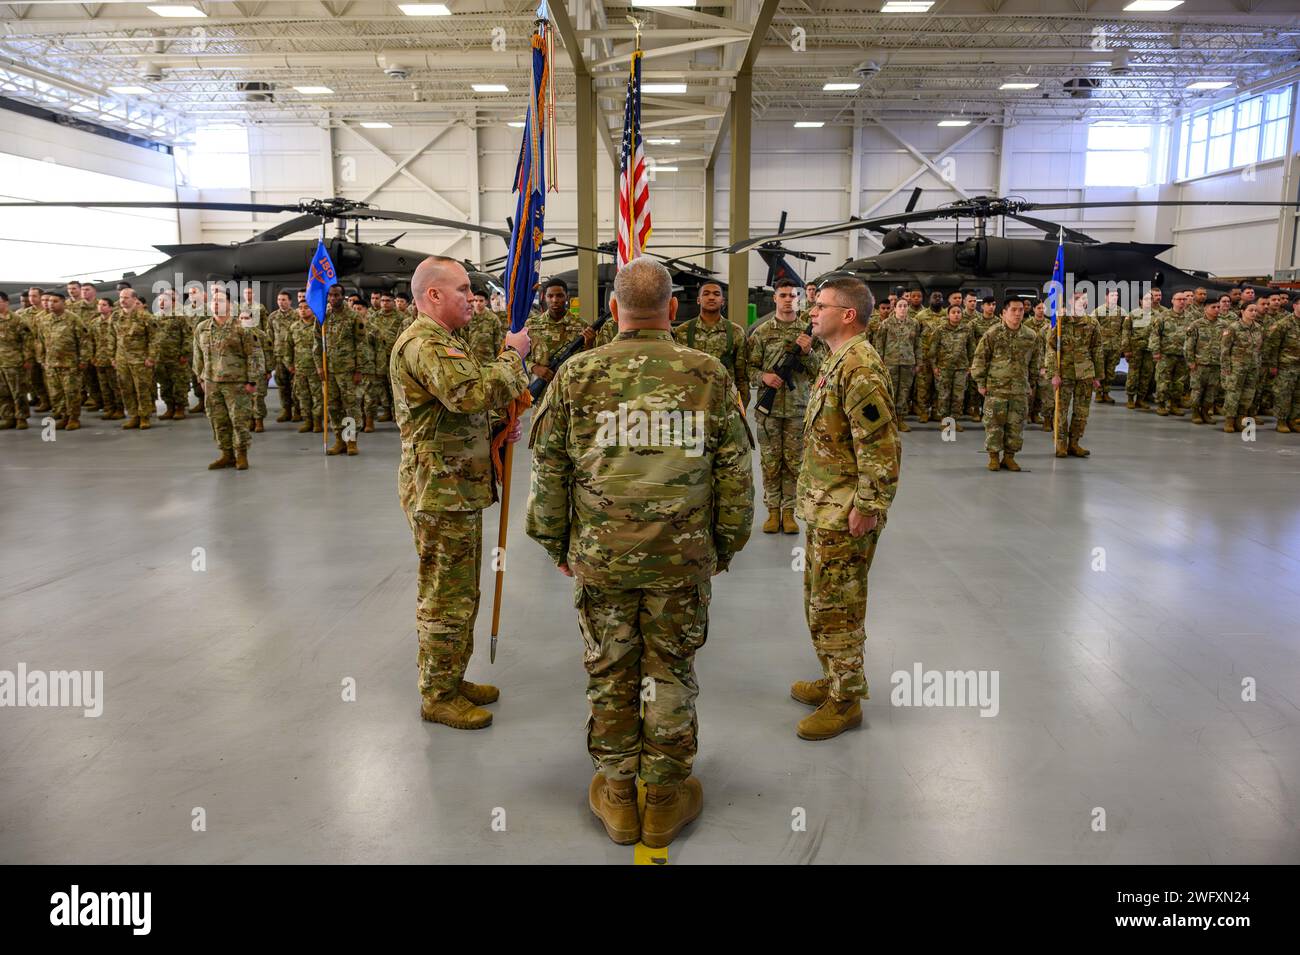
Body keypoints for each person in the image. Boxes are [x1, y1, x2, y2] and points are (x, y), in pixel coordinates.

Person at [526, 257, 753, 848]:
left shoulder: (576, 374)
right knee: (670, 670)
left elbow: (549, 468)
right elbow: (734, 473)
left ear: (611, 309)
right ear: (674, 309)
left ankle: (621, 793)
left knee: (610, 666)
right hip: (681, 560)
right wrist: (723, 546)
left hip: (602, 557)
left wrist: (557, 543)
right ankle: (667, 796)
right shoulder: (706, 374)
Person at [391, 255, 531, 732]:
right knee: (444, 596)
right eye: (462, 289)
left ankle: (450, 678)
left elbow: (455, 412)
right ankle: (437, 695)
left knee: (461, 591)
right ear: (433, 295)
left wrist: (495, 427)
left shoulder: (444, 341)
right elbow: (467, 393)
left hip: (455, 488)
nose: (471, 298)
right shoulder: (425, 343)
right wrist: (514, 356)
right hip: (439, 492)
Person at [793, 276, 901, 742]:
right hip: (825, 505)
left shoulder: (860, 369)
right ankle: (833, 675)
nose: (812, 312)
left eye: (821, 305)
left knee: (839, 606)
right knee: (820, 600)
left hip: (846, 512)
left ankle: (846, 699)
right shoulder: (836, 361)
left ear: (848, 314)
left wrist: (869, 506)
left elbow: (881, 446)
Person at [747, 277, 823, 534]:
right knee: (770, 463)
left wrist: (808, 352)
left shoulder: (808, 333)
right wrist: (763, 378)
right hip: (768, 411)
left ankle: (789, 512)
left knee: (794, 463)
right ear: (775, 298)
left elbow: (821, 371)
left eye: (793, 295)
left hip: (797, 409)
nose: (788, 300)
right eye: (784, 295)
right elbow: (749, 368)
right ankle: (772, 512)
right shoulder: (761, 333)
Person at [193, 290, 262, 470]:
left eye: (220, 301)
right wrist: (200, 376)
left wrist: (252, 381)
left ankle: (241, 454)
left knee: (239, 420)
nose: (215, 304)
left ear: (230, 304)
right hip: (211, 382)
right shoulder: (203, 328)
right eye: (213, 301)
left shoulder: (243, 327)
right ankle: (226, 454)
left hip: (236, 382)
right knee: (218, 420)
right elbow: (197, 355)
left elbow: (254, 355)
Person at [970, 298, 1040, 471]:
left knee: (1016, 425)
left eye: (1021, 310)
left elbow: (1035, 362)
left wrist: (1030, 383)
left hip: (1019, 388)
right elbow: (980, 359)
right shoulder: (992, 334)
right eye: (1013, 310)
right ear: (1003, 313)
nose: (1017, 314)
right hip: (996, 388)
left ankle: (1009, 457)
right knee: (994, 424)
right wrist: (980, 382)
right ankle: (993, 457)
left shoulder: (1031, 336)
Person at [1044, 297, 1103, 458]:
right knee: (1061, 410)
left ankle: (1075, 443)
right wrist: (1053, 373)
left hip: (1085, 372)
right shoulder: (1060, 322)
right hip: (1064, 372)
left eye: (1084, 300)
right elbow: (1050, 348)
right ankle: (1061, 444)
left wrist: (1098, 375)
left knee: (1082, 411)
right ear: (1070, 302)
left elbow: (1097, 349)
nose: (1081, 303)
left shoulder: (1092, 323)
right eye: (1077, 300)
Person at [672, 281, 748, 396]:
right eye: (706, 294)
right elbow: (676, 370)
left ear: (723, 301)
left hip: (724, 401)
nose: (711, 297)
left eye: (716, 294)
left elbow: (741, 376)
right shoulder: (682, 331)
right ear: (698, 300)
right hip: (692, 399)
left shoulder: (736, 332)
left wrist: (741, 407)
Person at [315, 285, 366, 455]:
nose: (333, 298)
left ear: (342, 297)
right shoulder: (323, 316)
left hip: (348, 371)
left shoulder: (353, 317)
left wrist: (359, 369)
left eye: (336, 295)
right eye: (330, 295)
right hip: (329, 370)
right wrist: (319, 366)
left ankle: (350, 440)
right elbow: (317, 343)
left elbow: (361, 344)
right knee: (333, 406)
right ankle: (339, 440)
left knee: (350, 406)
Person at [872, 296, 921, 432]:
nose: (903, 308)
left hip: (908, 362)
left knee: (904, 392)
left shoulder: (914, 323)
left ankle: (900, 419)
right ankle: (889, 420)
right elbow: (879, 344)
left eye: (905, 306)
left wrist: (918, 362)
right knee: (890, 391)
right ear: (894, 307)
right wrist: (879, 362)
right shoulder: (886, 323)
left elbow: (917, 343)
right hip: (890, 362)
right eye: (900, 306)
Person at [113, 288, 160, 429]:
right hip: (122, 359)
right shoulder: (116, 316)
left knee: (142, 389)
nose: (122, 300)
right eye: (121, 297)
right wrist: (113, 357)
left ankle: (144, 416)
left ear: (134, 299)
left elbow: (155, 339)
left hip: (140, 359)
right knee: (126, 388)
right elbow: (113, 338)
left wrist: (151, 357)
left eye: (126, 297)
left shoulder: (146, 317)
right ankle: (133, 416)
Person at [928, 304, 976, 431]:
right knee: (944, 395)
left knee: (958, 396)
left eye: (958, 312)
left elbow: (972, 350)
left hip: (961, 368)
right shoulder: (940, 330)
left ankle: (953, 421)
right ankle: (944, 421)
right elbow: (932, 350)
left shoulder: (967, 330)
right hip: (944, 367)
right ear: (948, 314)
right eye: (953, 312)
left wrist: (971, 366)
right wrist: (934, 367)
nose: (956, 314)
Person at [1220, 303, 1264, 433]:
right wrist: (1225, 367)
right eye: (1250, 310)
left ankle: (1240, 420)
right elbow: (1224, 349)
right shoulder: (1233, 328)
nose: (1254, 313)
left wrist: (1258, 364)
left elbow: (1259, 349)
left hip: (1252, 366)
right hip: (1236, 367)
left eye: (1255, 310)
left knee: (1248, 394)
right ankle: (1229, 420)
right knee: (1233, 393)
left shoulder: (1258, 328)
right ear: (1242, 311)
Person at [1184, 298, 1224, 425]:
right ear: (1205, 308)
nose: (1217, 310)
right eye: (1214, 307)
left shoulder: (1224, 325)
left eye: (1218, 307)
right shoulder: (1196, 325)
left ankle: (1205, 412)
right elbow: (1189, 345)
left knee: (1211, 391)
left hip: (1216, 364)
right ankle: (1195, 413)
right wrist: (1190, 361)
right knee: (1197, 389)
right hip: (1200, 364)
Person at [1264, 298, 1300, 433]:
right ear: (1295, 305)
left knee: (1298, 395)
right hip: (1286, 365)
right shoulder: (1283, 323)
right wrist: (1273, 366)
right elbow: (1272, 346)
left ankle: (1294, 420)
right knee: (1283, 394)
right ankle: (1281, 421)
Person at [287, 301, 324, 433]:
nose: (303, 310)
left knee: (318, 396)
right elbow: (289, 346)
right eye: (300, 308)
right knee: (303, 396)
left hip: (316, 368)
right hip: (300, 367)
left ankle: (317, 422)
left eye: (306, 308)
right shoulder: (294, 327)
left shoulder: (320, 326)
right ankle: (307, 421)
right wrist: (290, 364)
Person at [0, 291, 34, 429]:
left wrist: (27, 359)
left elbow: (28, 340)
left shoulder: (17, 319)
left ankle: (21, 417)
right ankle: (8, 417)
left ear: (6, 302)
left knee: (18, 392)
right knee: (2, 393)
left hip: (14, 361)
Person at [268, 290, 300, 423]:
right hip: (279, 356)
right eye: (279, 300)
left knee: (296, 385)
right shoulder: (273, 317)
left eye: (284, 300)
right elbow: (269, 337)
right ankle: (286, 410)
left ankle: (297, 411)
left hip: (294, 356)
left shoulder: (297, 315)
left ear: (290, 301)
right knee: (282, 385)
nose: (281, 302)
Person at [1091, 287, 1126, 403]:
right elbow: (1092, 329)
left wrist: (1122, 345)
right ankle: (1098, 393)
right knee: (1100, 371)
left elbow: (1124, 330)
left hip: (1115, 347)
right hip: (1101, 347)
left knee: (1110, 371)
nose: (1115, 298)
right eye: (1112, 295)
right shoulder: (1098, 311)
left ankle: (1106, 392)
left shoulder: (1122, 312)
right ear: (1106, 297)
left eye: (1116, 296)